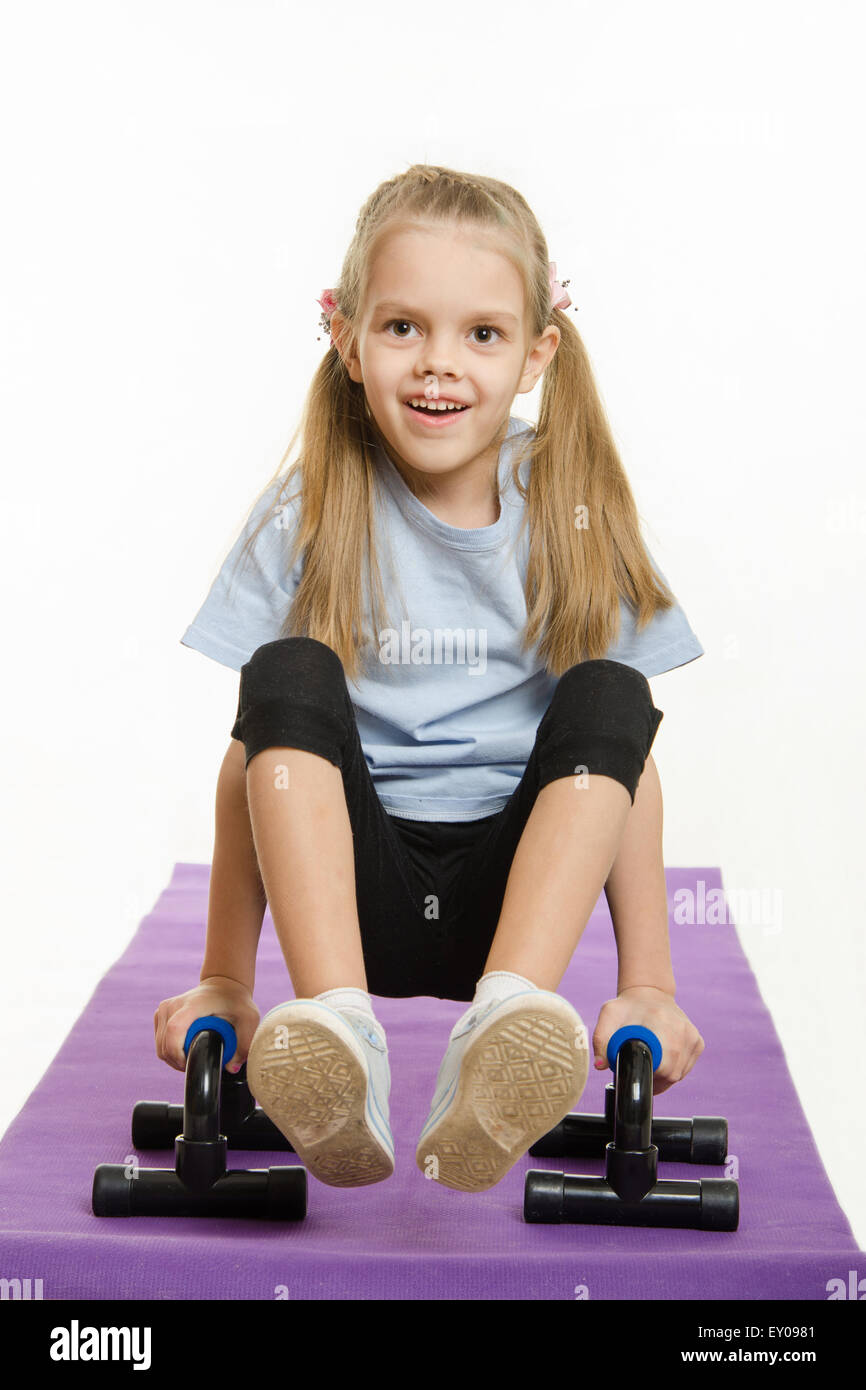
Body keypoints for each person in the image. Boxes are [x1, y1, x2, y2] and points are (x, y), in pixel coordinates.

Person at [154, 163, 705, 1194]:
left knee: (612, 694)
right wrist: (225, 977)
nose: (437, 365)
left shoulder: (570, 510)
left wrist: (650, 985)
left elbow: (622, 771)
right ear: (347, 337)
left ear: (537, 351)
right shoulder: (309, 512)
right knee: (286, 672)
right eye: (403, 327)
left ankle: (503, 1023)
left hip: (513, 898)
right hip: (351, 904)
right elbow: (252, 763)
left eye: (480, 334)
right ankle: (341, 1037)